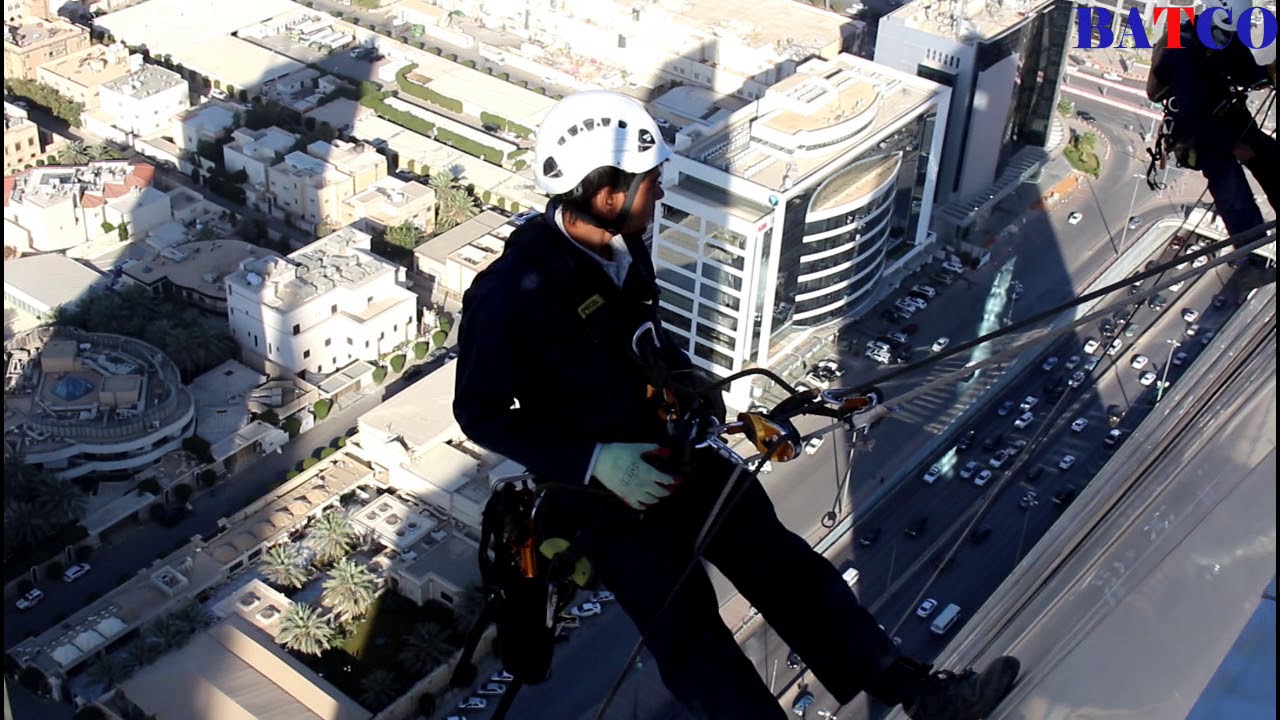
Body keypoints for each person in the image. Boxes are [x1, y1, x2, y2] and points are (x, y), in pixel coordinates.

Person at [453, 90, 1019, 720]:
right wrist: (594, 461)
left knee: (790, 574)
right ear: (606, 194)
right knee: (693, 643)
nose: (659, 195)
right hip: (612, 501)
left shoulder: (621, 249)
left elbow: (639, 338)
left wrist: (691, 384)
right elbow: (480, 412)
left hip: (681, 453)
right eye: (650, 183)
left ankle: (923, 697)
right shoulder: (508, 296)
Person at [1147, 0, 1277, 238]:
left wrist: (1269, 73)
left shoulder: (1225, 35)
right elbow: (1194, 116)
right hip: (1197, 131)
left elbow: (1245, 72)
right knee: (1227, 176)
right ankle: (1250, 245)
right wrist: (1233, 146)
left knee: (1269, 154)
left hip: (1226, 115)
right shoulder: (1182, 50)